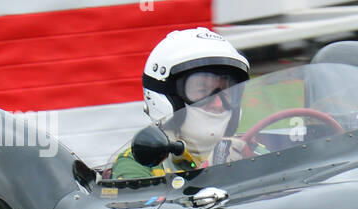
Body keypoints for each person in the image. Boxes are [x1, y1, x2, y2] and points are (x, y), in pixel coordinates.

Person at [110, 27, 259, 180]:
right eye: (203, 90)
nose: (218, 103)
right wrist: (213, 173)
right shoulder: (137, 163)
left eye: (226, 92)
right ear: (169, 97)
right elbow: (144, 203)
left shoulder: (249, 149)